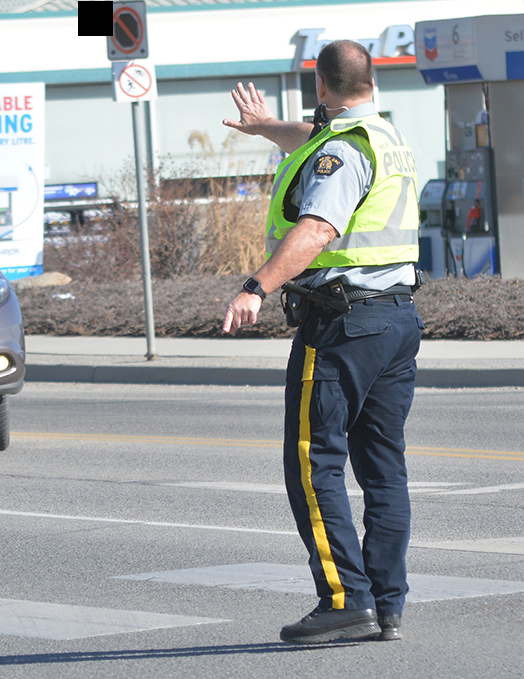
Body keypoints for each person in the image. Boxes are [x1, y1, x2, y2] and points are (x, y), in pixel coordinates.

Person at [222, 40, 423, 645]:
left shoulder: (341, 150)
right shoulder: (382, 136)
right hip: (394, 319)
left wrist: (256, 285)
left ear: (321, 87)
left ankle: (344, 600)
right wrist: (264, 129)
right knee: (383, 469)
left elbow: (317, 228)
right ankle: (385, 604)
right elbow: (308, 142)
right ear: (372, 80)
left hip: (341, 325)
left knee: (313, 465)